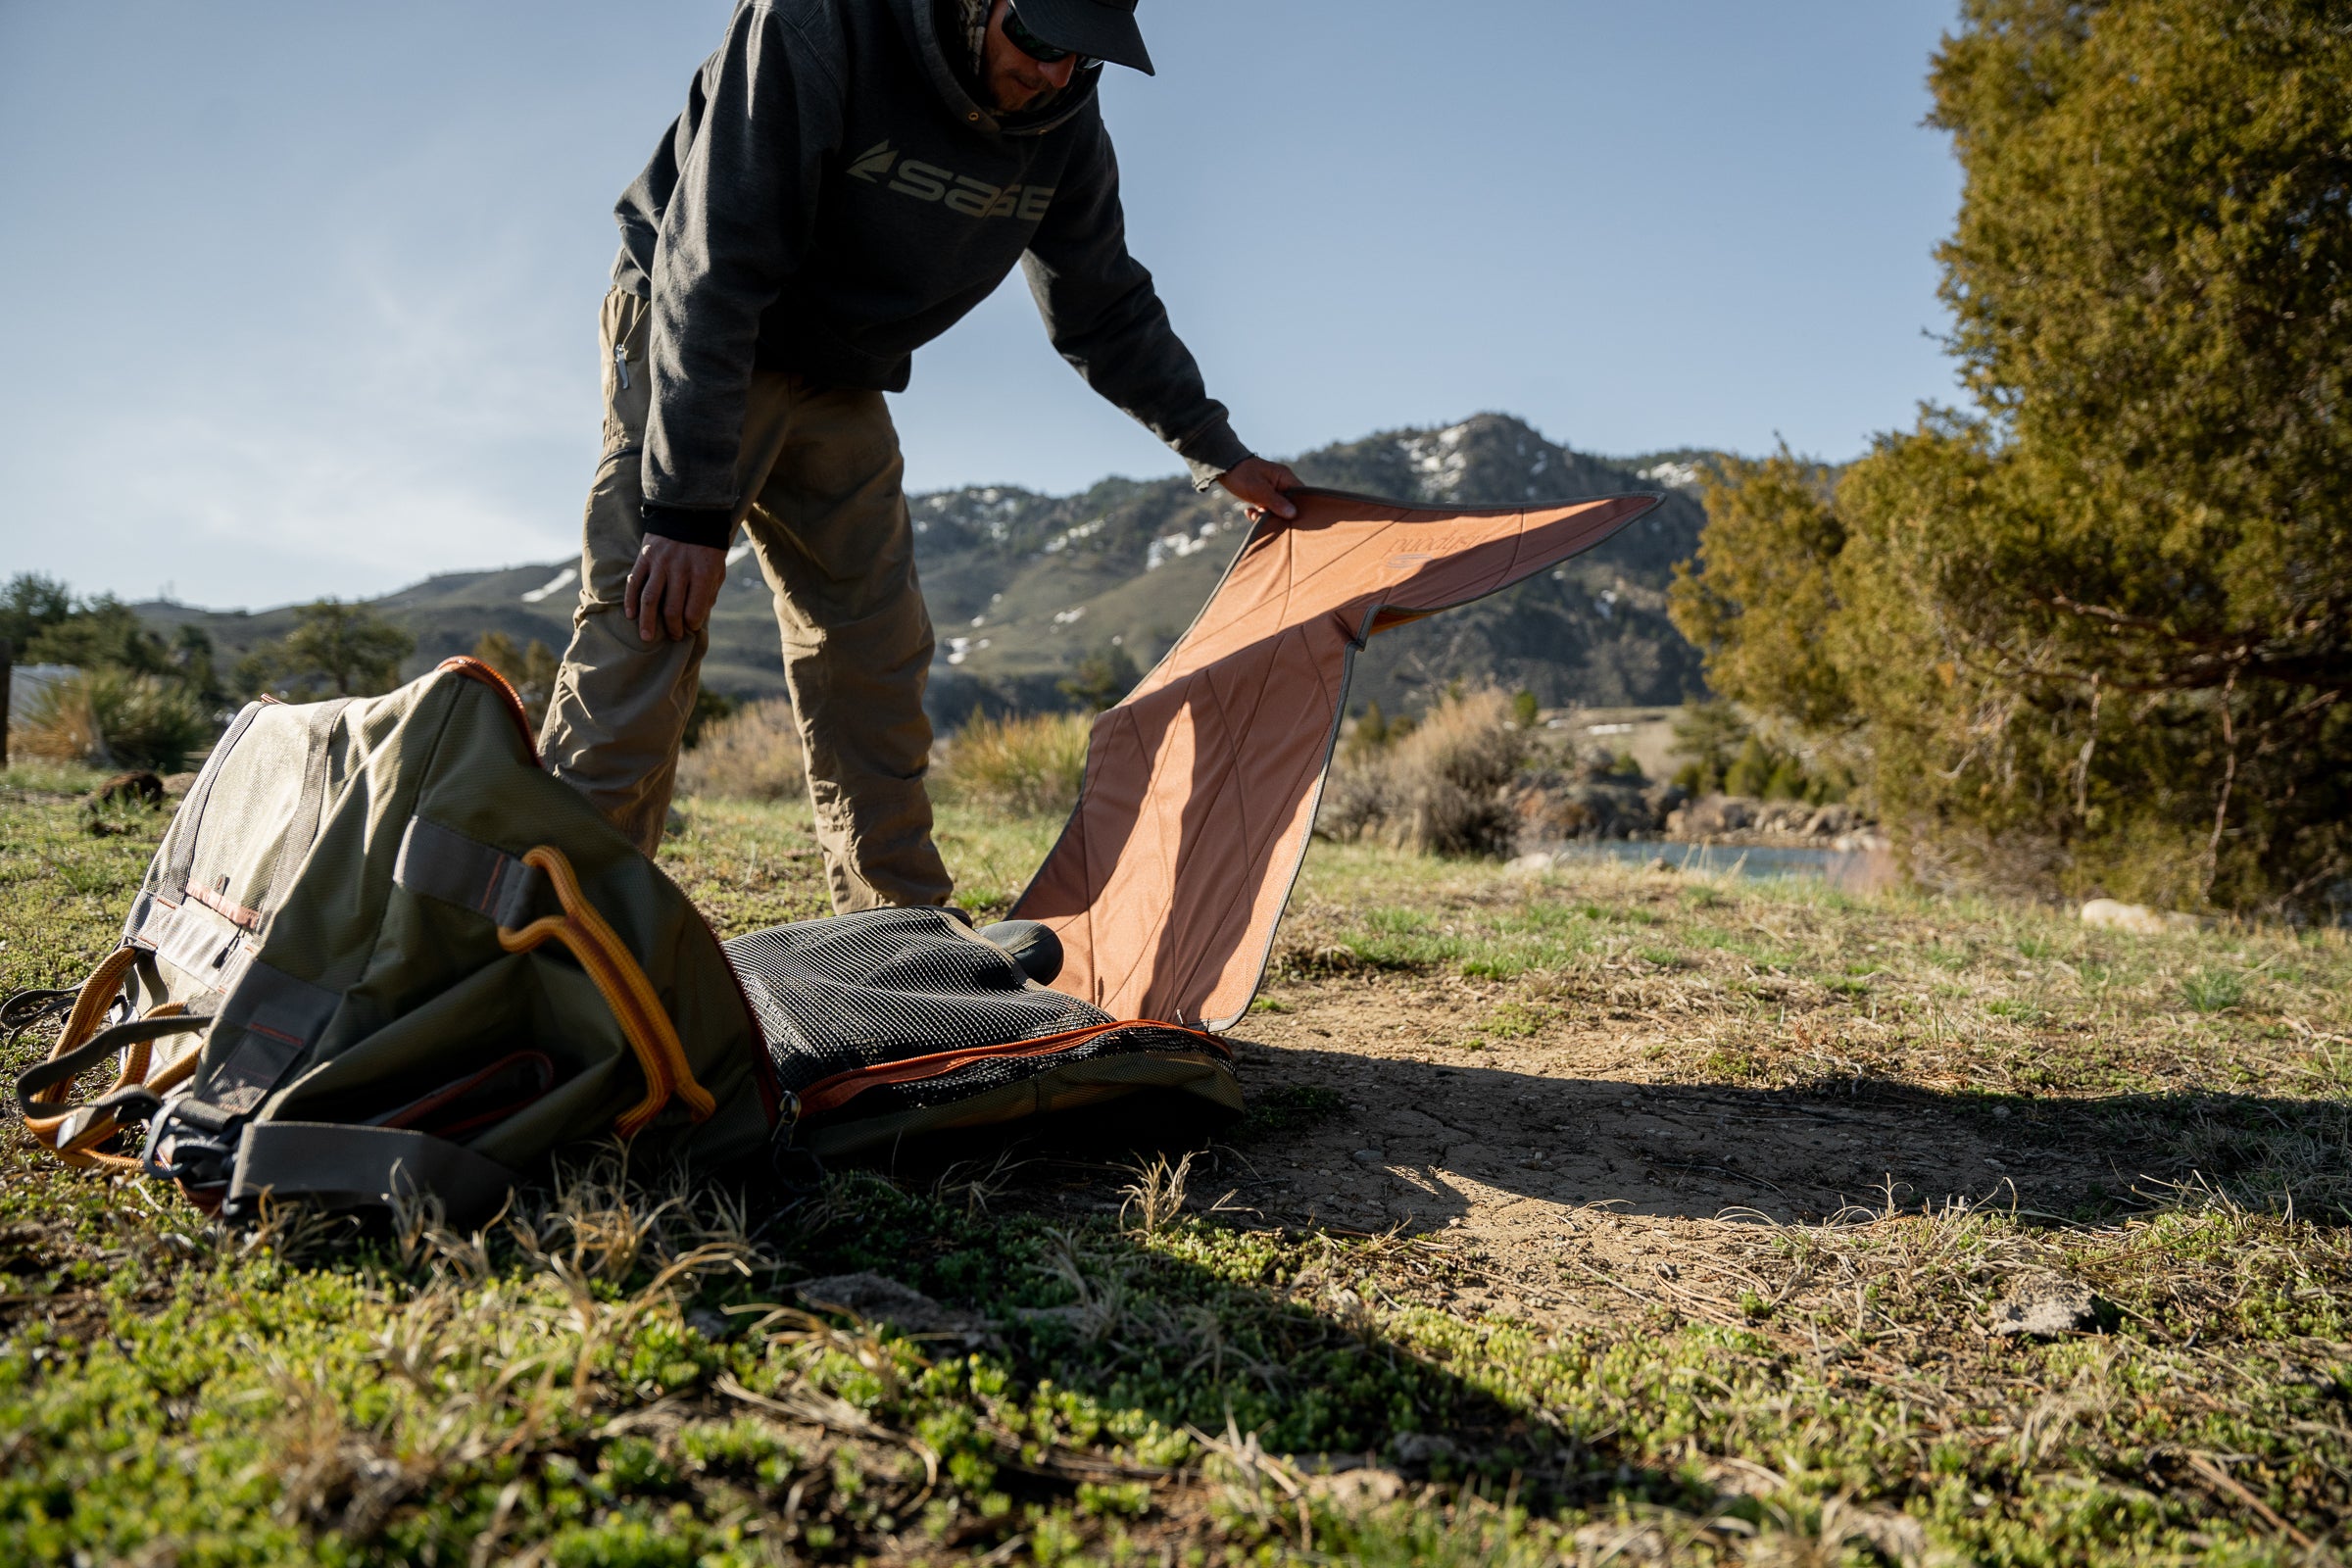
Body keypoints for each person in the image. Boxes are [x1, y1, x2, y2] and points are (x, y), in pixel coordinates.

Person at [538, 0, 1300, 913]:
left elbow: (1102, 305)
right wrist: (687, 512)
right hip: (700, 330)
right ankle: (558, 939)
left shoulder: (1063, 117)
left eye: (1086, 57)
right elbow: (713, 262)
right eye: (1045, 40)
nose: (1057, 73)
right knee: (650, 623)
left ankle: (900, 944)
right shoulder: (818, 27)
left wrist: (1216, 451)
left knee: (875, 649)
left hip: (840, 369)